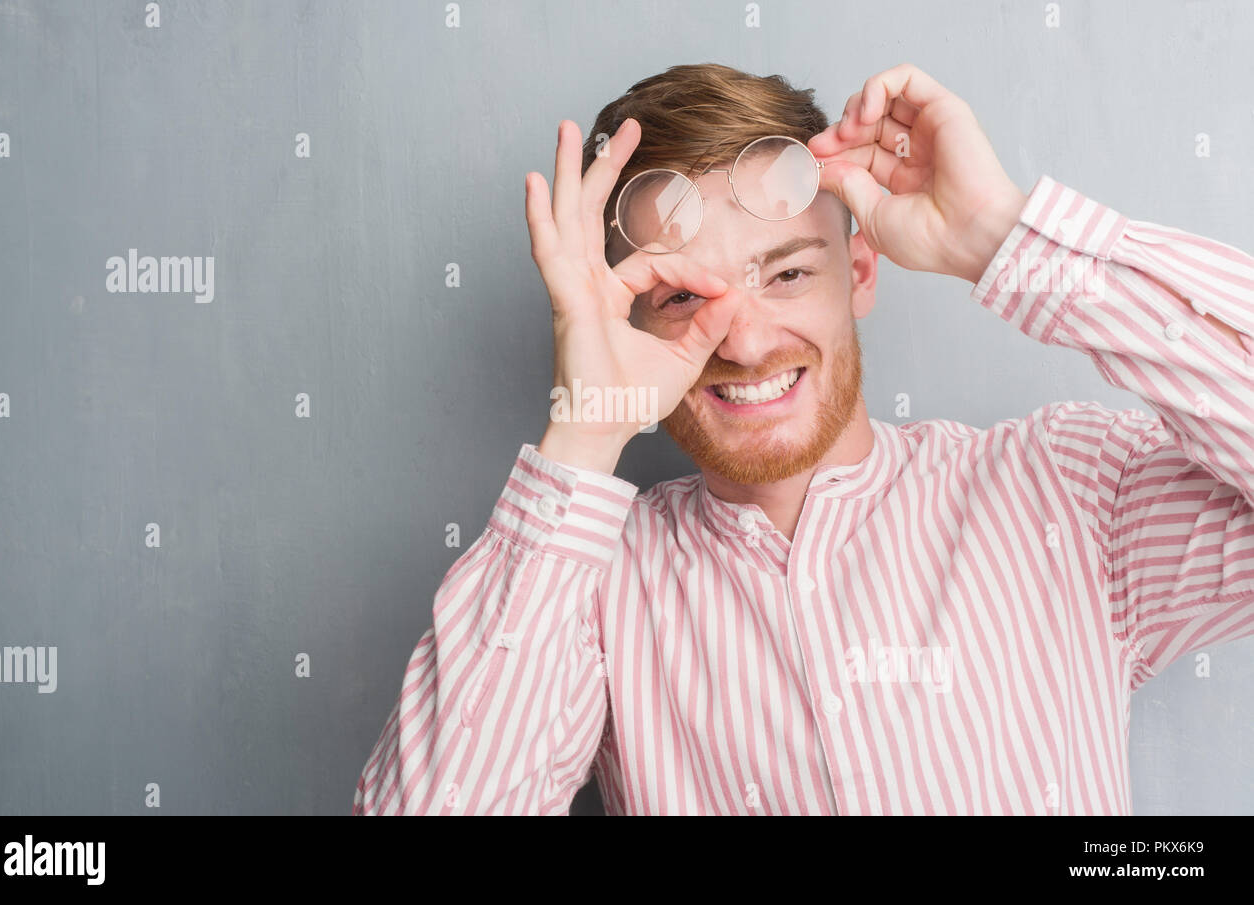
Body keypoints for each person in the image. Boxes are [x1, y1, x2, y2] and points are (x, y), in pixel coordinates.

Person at [354, 62, 1254, 815]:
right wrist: (584, 430)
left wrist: (1003, 236)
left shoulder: (1067, 492)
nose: (743, 341)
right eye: (682, 297)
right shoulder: (592, 587)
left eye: (785, 272)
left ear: (859, 271)